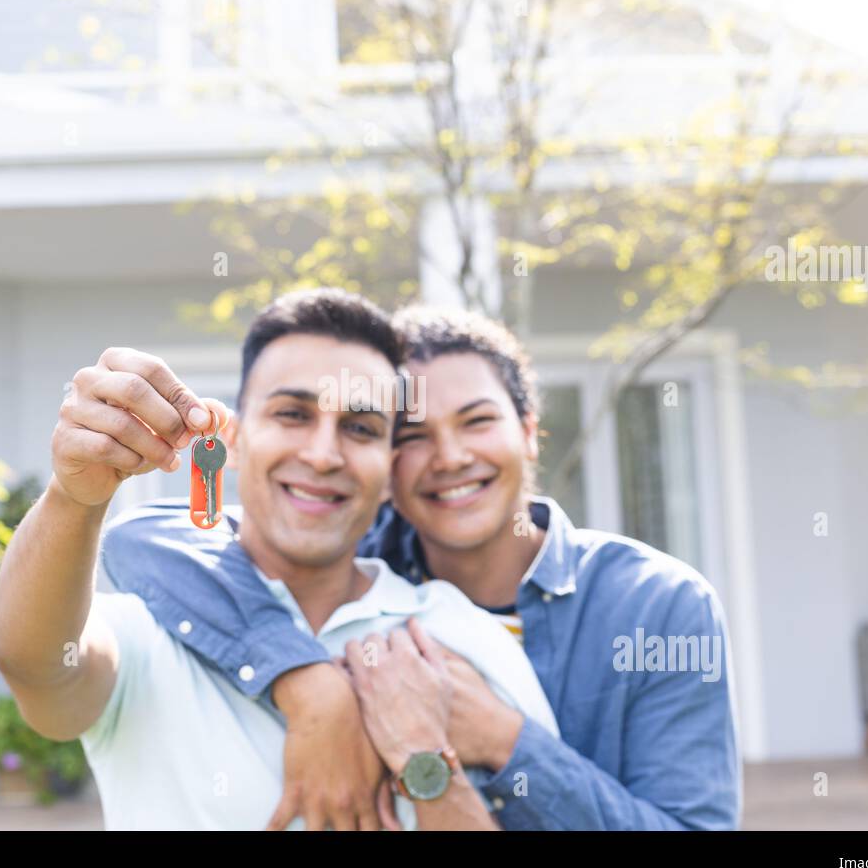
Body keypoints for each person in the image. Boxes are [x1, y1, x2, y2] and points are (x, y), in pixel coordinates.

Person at [103, 305, 742, 830]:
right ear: (383, 460)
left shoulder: (657, 604)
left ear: (528, 433)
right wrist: (306, 682)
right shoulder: (361, 568)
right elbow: (147, 542)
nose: (451, 456)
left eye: (478, 422)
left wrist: (501, 738)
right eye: (412, 436)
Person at [0, 290, 557, 829]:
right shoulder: (147, 628)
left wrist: (423, 763)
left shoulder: (464, 638)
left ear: (389, 471)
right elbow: (32, 665)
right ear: (233, 441)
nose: (322, 453)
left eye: (359, 427)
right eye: (292, 414)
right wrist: (74, 498)